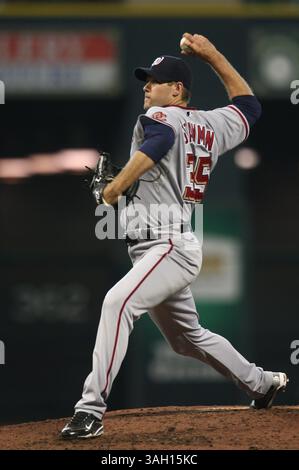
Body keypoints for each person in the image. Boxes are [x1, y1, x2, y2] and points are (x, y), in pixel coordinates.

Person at [61, 33, 288, 439]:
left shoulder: (161, 118)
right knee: (186, 339)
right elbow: (249, 106)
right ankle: (262, 382)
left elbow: (161, 140)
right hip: (166, 246)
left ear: (177, 89)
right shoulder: (213, 125)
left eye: (155, 80)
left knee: (117, 303)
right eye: (145, 80)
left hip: (166, 245)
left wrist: (113, 189)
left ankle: (90, 410)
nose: (147, 86)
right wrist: (214, 55)